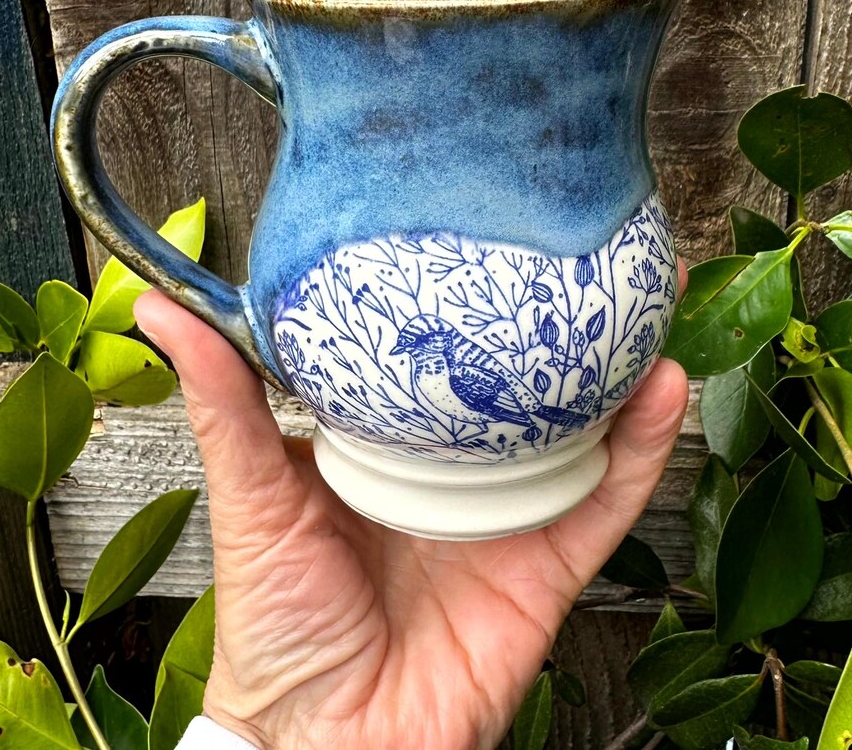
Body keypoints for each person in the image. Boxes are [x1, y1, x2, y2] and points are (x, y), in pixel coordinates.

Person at [134, 261, 689, 750]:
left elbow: (494, 404)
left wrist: (274, 729)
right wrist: (275, 725)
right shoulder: (437, 372)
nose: (414, 355)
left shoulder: (462, 373)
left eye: (421, 349)